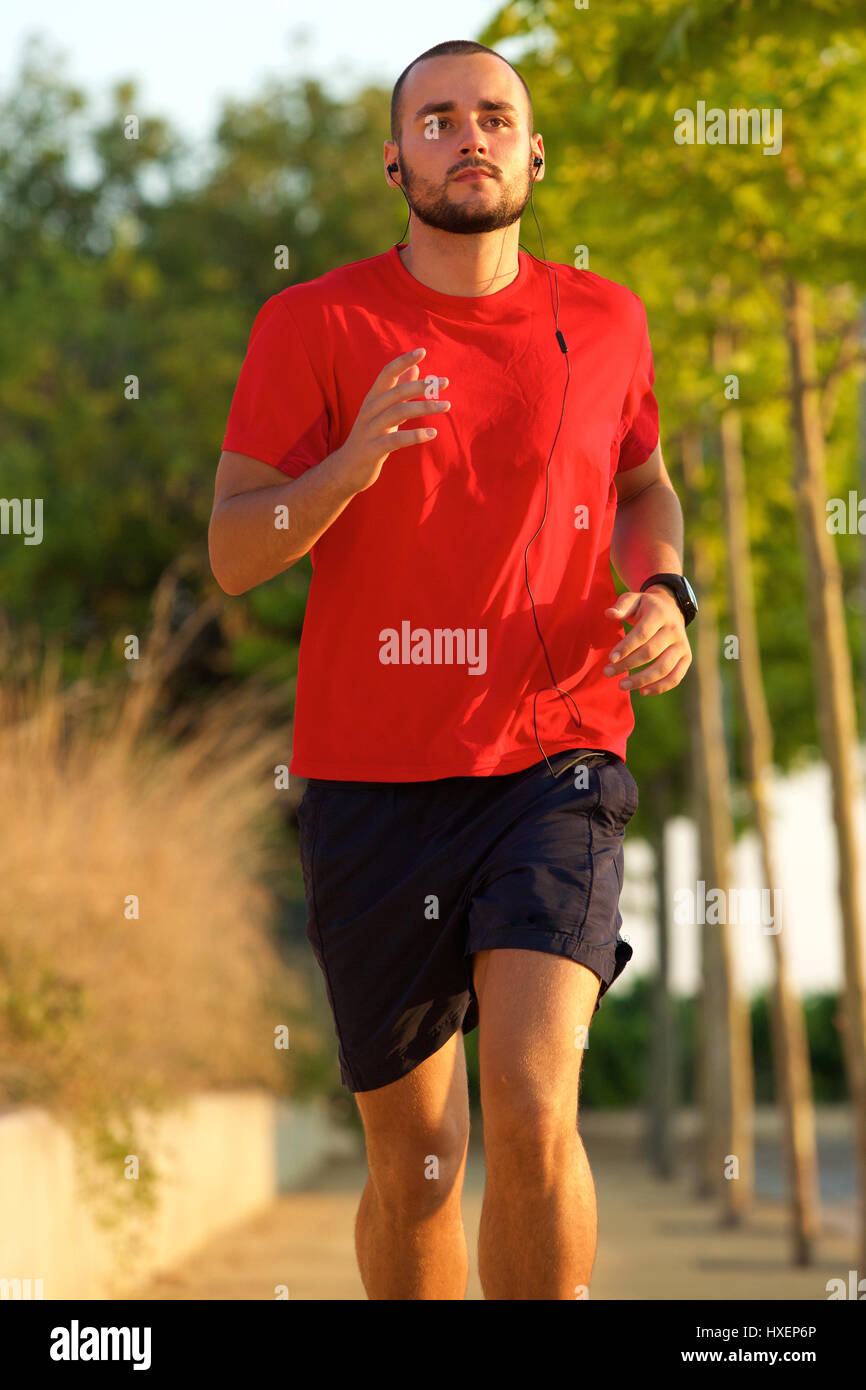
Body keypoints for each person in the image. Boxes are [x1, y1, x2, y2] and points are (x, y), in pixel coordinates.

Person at [209, 38, 696, 1300]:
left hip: (556, 759)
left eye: (492, 117)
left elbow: (642, 484)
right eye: (435, 120)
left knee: (533, 1104)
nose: (465, 137)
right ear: (393, 157)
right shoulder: (312, 323)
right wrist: (349, 463)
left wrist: (664, 589)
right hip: (372, 782)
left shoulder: (603, 317)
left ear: (534, 153)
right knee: (418, 1162)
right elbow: (232, 549)